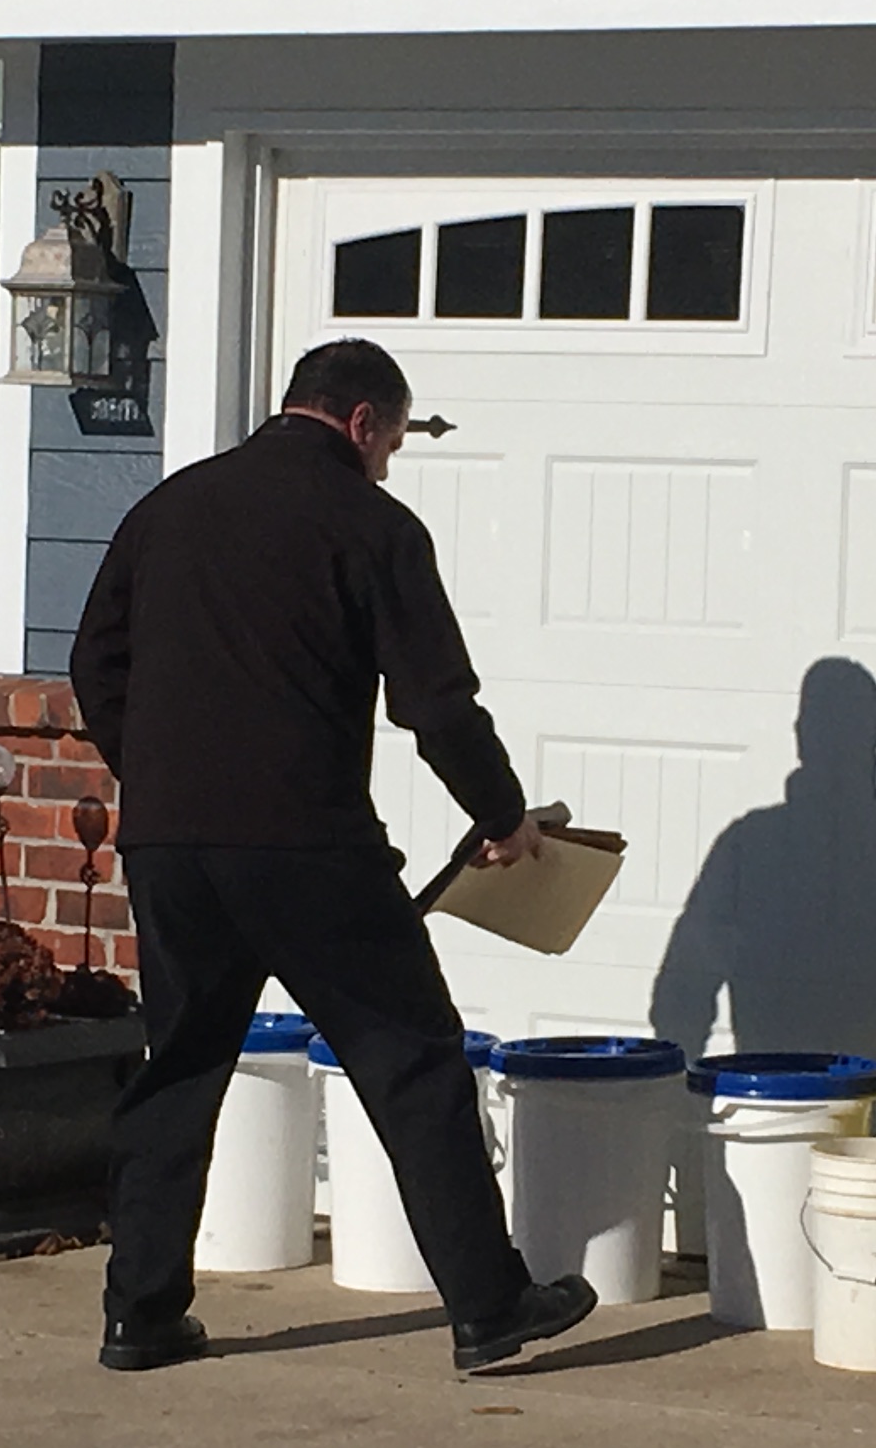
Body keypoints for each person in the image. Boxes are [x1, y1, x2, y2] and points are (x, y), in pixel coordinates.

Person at [69, 338, 596, 1377]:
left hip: (171, 845)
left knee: (178, 1066)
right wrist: (500, 815)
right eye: (392, 441)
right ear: (360, 422)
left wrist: (160, 775)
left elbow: (96, 661)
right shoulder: (373, 526)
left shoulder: (168, 510)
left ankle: (140, 1314)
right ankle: (489, 1309)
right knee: (411, 1062)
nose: (390, 462)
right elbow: (436, 704)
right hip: (311, 847)